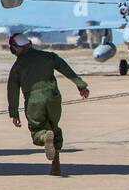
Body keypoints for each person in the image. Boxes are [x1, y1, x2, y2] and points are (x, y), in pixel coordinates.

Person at [6, 33, 89, 177]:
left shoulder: (17, 66)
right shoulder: (49, 56)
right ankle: (55, 167)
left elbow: (12, 90)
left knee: (38, 131)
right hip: (53, 98)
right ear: (29, 44)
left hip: (34, 101)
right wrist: (81, 85)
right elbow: (65, 69)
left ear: (16, 48)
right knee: (54, 129)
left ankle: (44, 137)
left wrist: (14, 113)